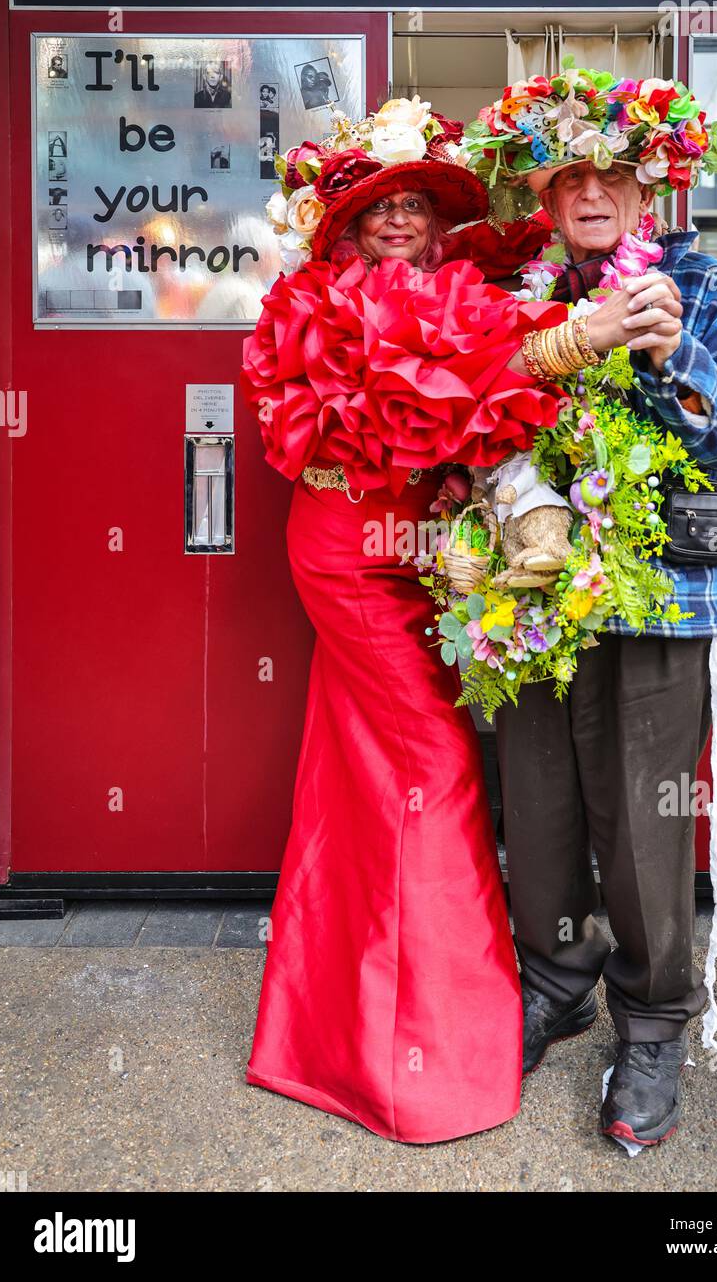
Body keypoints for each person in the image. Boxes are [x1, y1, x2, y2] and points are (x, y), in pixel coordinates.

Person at [240, 99, 570, 1143]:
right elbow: (293, 434)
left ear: (438, 227)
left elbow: (482, 402)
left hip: (423, 559)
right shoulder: (307, 299)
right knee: (438, 763)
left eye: (418, 207)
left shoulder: (465, 299)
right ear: (348, 217)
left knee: (357, 774)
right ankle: (425, 1057)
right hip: (344, 556)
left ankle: (323, 1039)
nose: (399, 222)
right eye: (381, 205)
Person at [469, 69, 717, 1148]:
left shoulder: (700, 284)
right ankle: (556, 979)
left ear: (645, 199)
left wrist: (669, 352)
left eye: (614, 176)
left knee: (648, 825)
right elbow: (471, 425)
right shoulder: (525, 298)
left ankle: (650, 1024)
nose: (593, 194)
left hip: (665, 597)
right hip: (538, 595)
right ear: (551, 202)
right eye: (572, 180)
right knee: (541, 801)